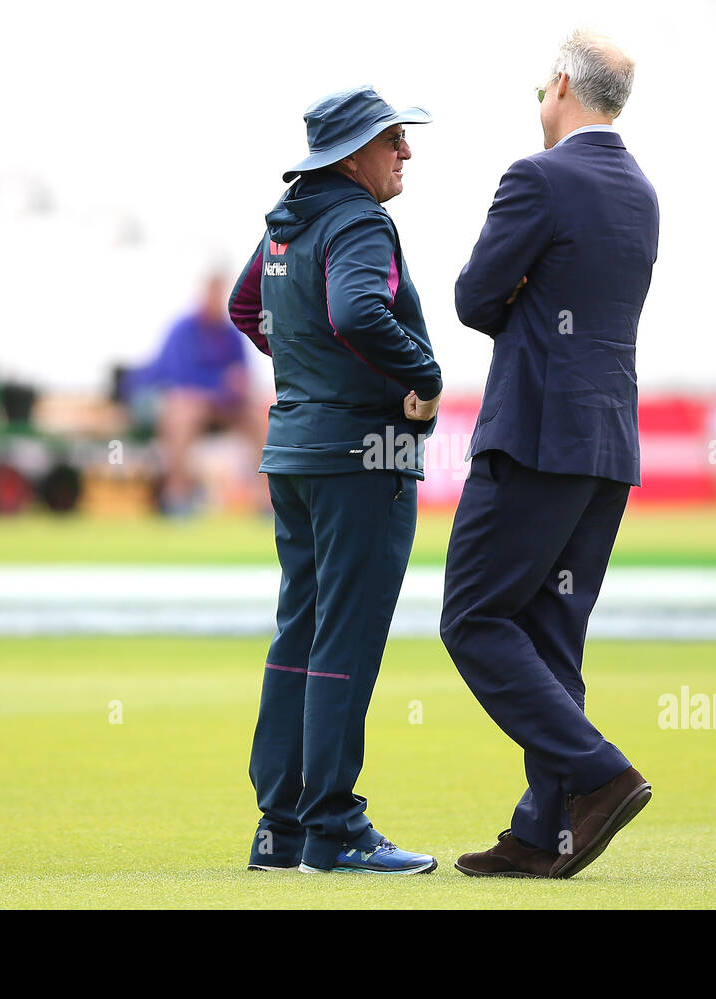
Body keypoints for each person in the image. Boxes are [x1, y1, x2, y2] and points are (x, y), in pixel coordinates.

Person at [440, 30, 660, 879]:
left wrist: (522, 297)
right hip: (608, 441)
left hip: (535, 435)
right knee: (551, 633)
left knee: (473, 617)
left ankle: (601, 772)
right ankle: (547, 829)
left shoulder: (537, 177)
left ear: (561, 85)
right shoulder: (641, 190)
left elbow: (473, 296)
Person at [228, 86, 442, 875]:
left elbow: (247, 306)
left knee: (299, 632)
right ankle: (333, 828)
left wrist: (305, 371)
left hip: (295, 452)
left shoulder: (288, 216)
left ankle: (280, 827)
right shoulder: (358, 219)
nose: (406, 152)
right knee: (345, 637)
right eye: (393, 140)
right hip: (364, 455)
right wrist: (424, 372)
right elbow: (357, 311)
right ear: (354, 154)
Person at [128, 273, 264, 515]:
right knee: (182, 412)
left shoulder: (230, 333)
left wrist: (235, 389)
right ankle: (177, 495)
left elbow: (242, 375)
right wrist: (222, 385)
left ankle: (267, 499)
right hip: (175, 402)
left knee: (261, 415)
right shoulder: (182, 329)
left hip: (219, 406)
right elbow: (180, 379)